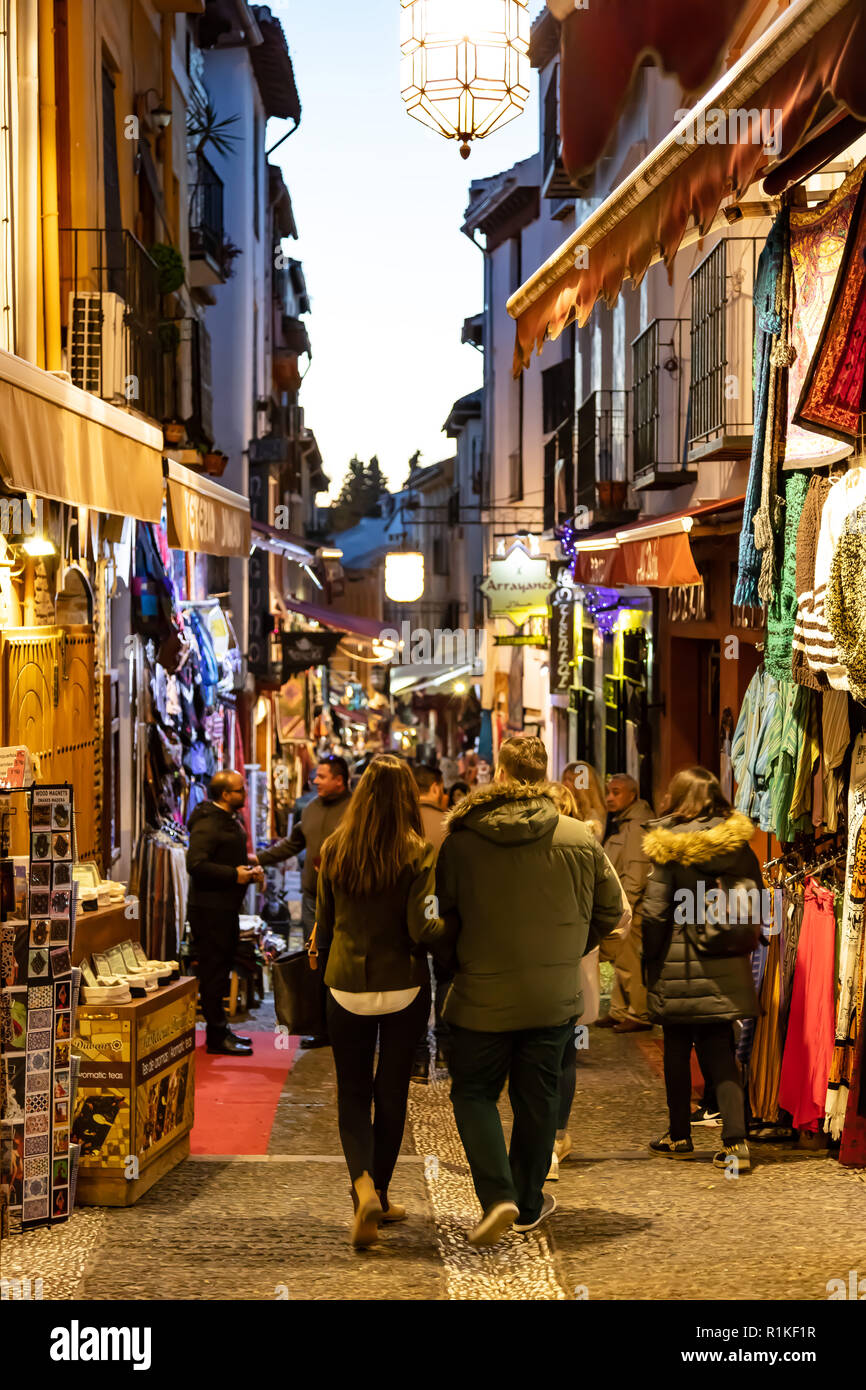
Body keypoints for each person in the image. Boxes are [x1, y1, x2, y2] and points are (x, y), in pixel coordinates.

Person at [436, 735, 626, 1246]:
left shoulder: (461, 839)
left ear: (498, 774)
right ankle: (527, 1203)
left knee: (474, 1093)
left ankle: (497, 1194)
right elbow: (611, 914)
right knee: (538, 1099)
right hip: (552, 995)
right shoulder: (579, 837)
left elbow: (442, 916)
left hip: (479, 994)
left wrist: (456, 960)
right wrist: (567, 950)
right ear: (546, 777)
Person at [316, 755, 446, 1249]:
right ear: (407, 797)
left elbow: (324, 926)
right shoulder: (418, 852)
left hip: (345, 983)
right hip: (404, 986)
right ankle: (383, 1193)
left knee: (352, 1093)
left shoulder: (335, 848)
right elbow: (422, 926)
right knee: (391, 1092)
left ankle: (362, 1186)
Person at [641, 766, 760, 1172]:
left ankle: (679, 1135)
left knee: (676, 1046)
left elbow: (655, 914)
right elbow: (756, 902)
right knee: (720, 1050)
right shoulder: (740, 844)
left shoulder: (669, 845)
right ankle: (735, 1144)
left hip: (678, 961)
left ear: (678, 797)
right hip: (726, 962)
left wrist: (650, 961)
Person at [545, 782, 631, 1180]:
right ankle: (554, 1139)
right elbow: (619, 913)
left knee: (536, 1055)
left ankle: (543, 1147)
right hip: (576, 966)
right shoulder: (588, 847)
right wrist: (591, 938)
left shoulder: (523, 848)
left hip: (531, 967)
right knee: (564, 1055)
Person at [257, 754, 351, 1048]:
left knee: (345, 959)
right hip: (314, 898)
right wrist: (258, 859)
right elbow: (293, 843)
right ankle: (322, 1027)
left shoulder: (356, 810)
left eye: (322, 776)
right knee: (318, 959)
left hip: (349, 899)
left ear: (339, 779)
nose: (315, 781)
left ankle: (349, 1024)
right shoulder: (309, 809)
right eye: (316, 776)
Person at [187, 771, 263, 1056]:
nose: (244, 794)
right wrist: (234, 875)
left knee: (222, 967)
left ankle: (220, 1029)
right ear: (225, 795)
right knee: (213, 972)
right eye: (240, 790)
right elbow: (195, 864)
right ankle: (216, 1036)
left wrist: (249, 868)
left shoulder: (226, 818)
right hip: (210, 910)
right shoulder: (208, 822)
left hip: (224, 907)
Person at [598, 773, 654, 1032]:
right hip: (625, 905)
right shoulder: (623, 822)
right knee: (621, 959)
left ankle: (638, 1013)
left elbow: (637, 872)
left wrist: (626, 909)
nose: (610, 797)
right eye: (608, 791)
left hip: (635, 907)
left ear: (633, 794)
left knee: (631, 960)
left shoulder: (637, 825)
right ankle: (620, 1010)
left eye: (616, 792)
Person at [410, 764, 451, 1080]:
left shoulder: (403, 825)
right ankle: (446, 1054)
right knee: (447, 978)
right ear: (436, 787)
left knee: (417, 980)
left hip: (410, 917)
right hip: (446, 915)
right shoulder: (451, 825)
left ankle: (420, 1057)